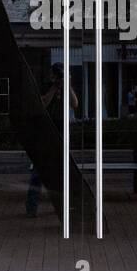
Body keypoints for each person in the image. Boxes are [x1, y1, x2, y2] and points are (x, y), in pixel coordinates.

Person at [26, 63, 79, 217]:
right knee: (38, 172)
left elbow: (75, 104)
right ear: (52, 76)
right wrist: (54, 88)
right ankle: (31, 206)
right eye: (58, 75)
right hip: (45, 134)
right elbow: (42, 103)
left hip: (62, 134)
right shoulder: (46, 86)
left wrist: (66, 86)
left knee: (63, 173)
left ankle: (63, 206)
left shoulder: (66, 88)